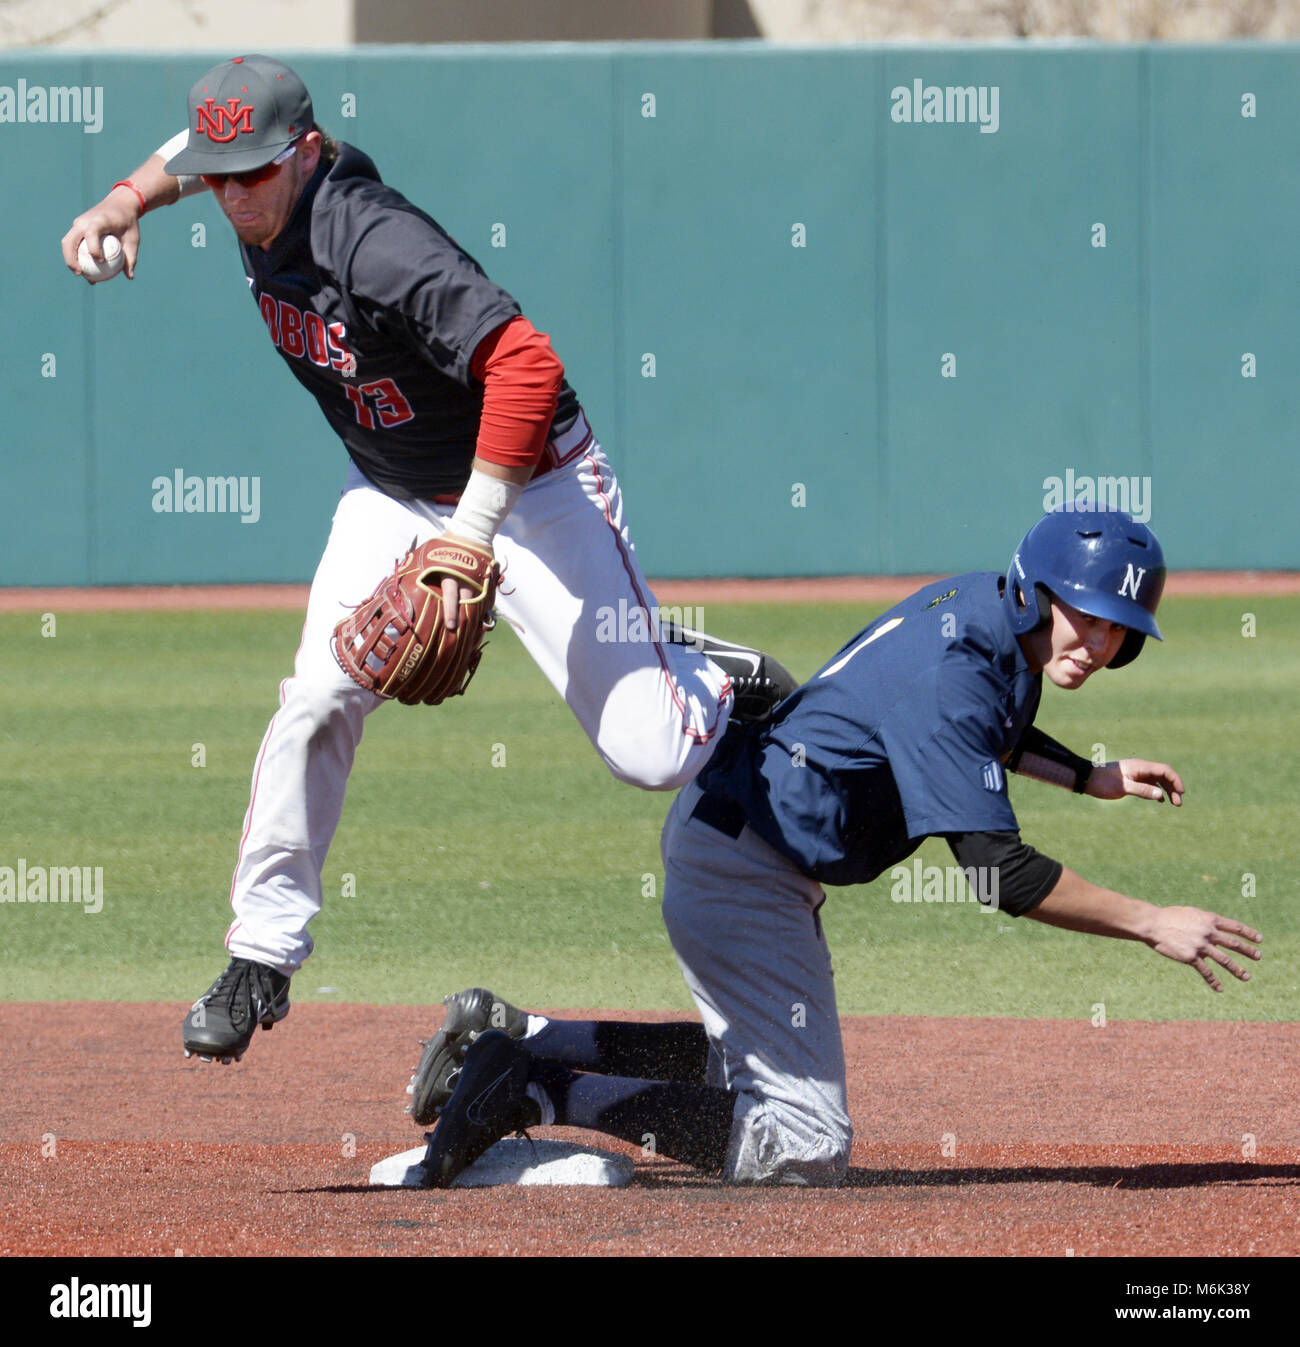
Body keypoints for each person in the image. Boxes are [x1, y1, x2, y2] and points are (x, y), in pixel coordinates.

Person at [60, 54, 794, 1065]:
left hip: (530, 490)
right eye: (220, 175)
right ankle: (262, 954)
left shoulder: (372, 240)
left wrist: (472, 531)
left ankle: (712, 676)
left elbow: (529, 364)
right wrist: (123, 200)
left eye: (254, 172)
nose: (233, 193)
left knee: (653, 755)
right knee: (317, 695)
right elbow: (194, 154)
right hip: (391, 490)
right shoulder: (241, 176)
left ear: (307, 154)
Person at [410, 508, 1263, 1188]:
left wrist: (1088, 777)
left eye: (1119, 630)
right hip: (746, 869)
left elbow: (987, 732)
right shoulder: (959, 667)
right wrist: (1152, 921)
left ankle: (524, 1030)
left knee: (739, 1060)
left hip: (741, 840)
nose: (1102, 642)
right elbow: (1000, 874)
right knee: (803, 1147)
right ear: (1039, 593)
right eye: (1088, 616)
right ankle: (528, 1082)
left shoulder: (987, 618)